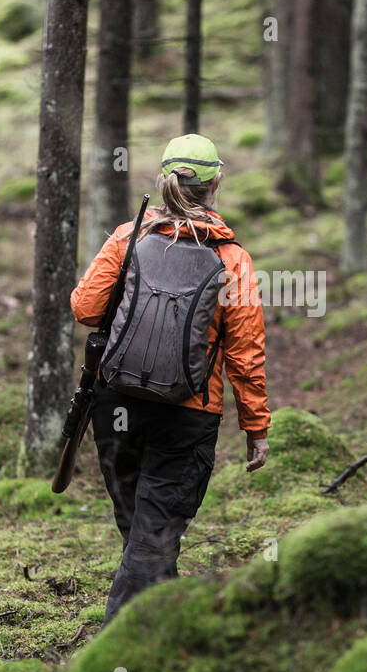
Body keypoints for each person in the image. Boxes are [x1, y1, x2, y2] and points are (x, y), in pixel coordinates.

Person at [70, 134, 271, 623]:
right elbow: (245, 353)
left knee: (143, 528)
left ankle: (163, 624)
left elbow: (85, 308)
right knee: (153, 530)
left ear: (162, 180)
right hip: (187, 415)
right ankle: (121, 646)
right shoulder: (231, 259)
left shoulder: (128, 236)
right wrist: (256, 428)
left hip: (115, 404)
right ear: (216, 181)